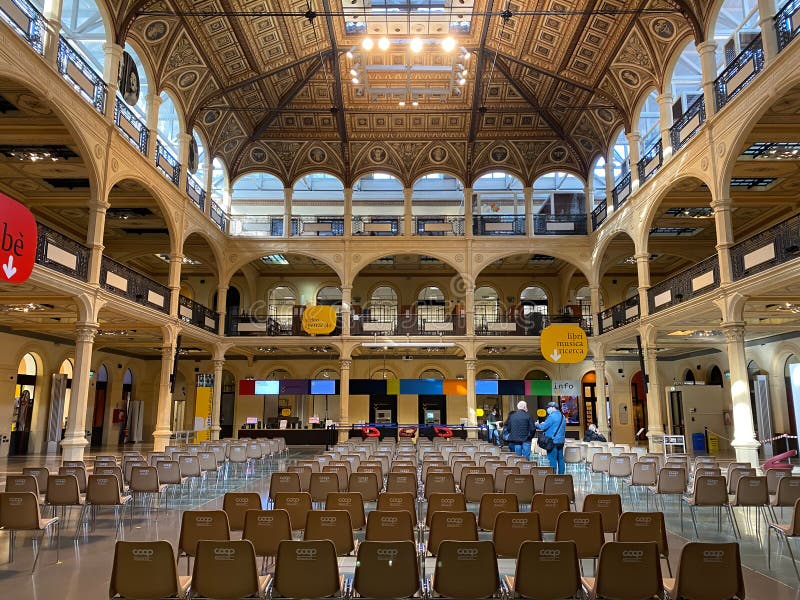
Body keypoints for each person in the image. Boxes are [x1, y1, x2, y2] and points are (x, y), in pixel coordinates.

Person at [537, 401, 567, 474]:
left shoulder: (551, 416)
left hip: (552, 441)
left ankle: (553, 477)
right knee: (560, 459)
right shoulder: (563, 416)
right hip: (561, 441)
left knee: (552, 460)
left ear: (553, 408)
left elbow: (543, 427)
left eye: (549, 407)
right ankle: (561, 476)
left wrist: (537, 424)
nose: (548, 409)